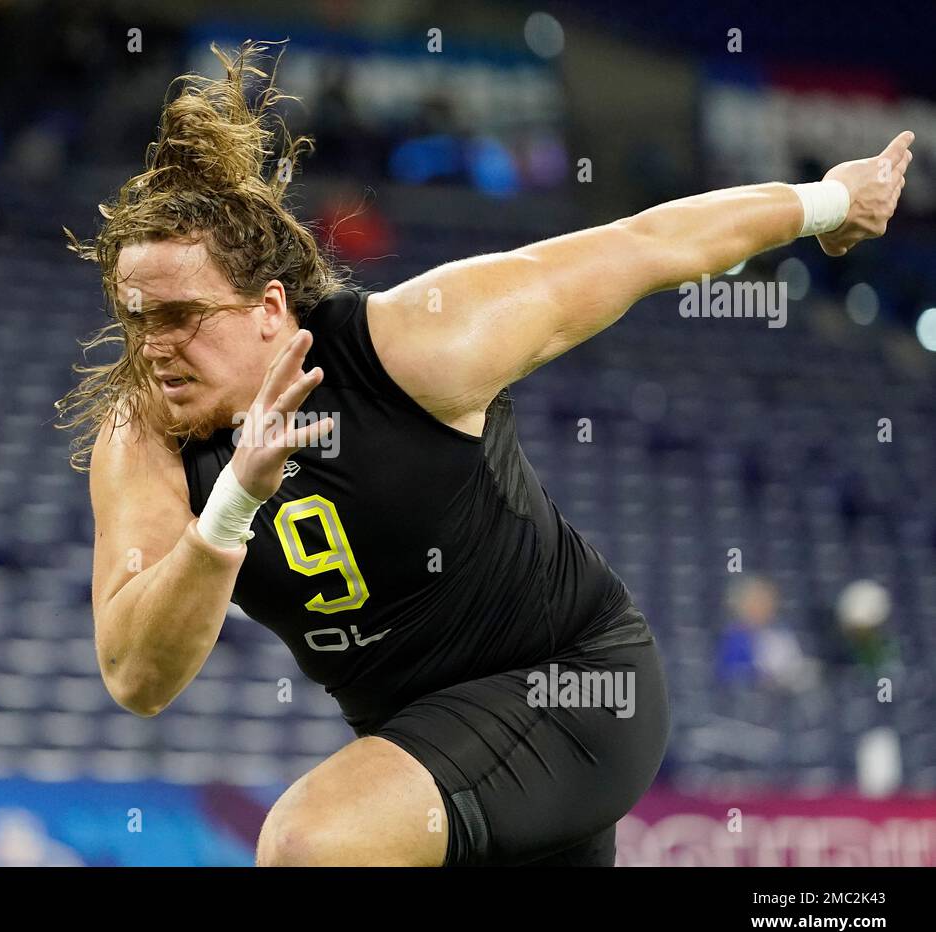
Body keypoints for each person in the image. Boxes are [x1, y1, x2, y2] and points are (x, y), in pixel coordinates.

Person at [57, 41, 912, 866]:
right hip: (422, 745)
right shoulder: (146, 440)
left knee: (311, 843)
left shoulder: (415, 345)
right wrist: (232, 504)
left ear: (270, 309)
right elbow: (139, 676)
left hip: (570, 692)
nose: (154, 346)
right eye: (136, 320)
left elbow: (645, 246)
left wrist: (831, 203)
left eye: (179, 316)